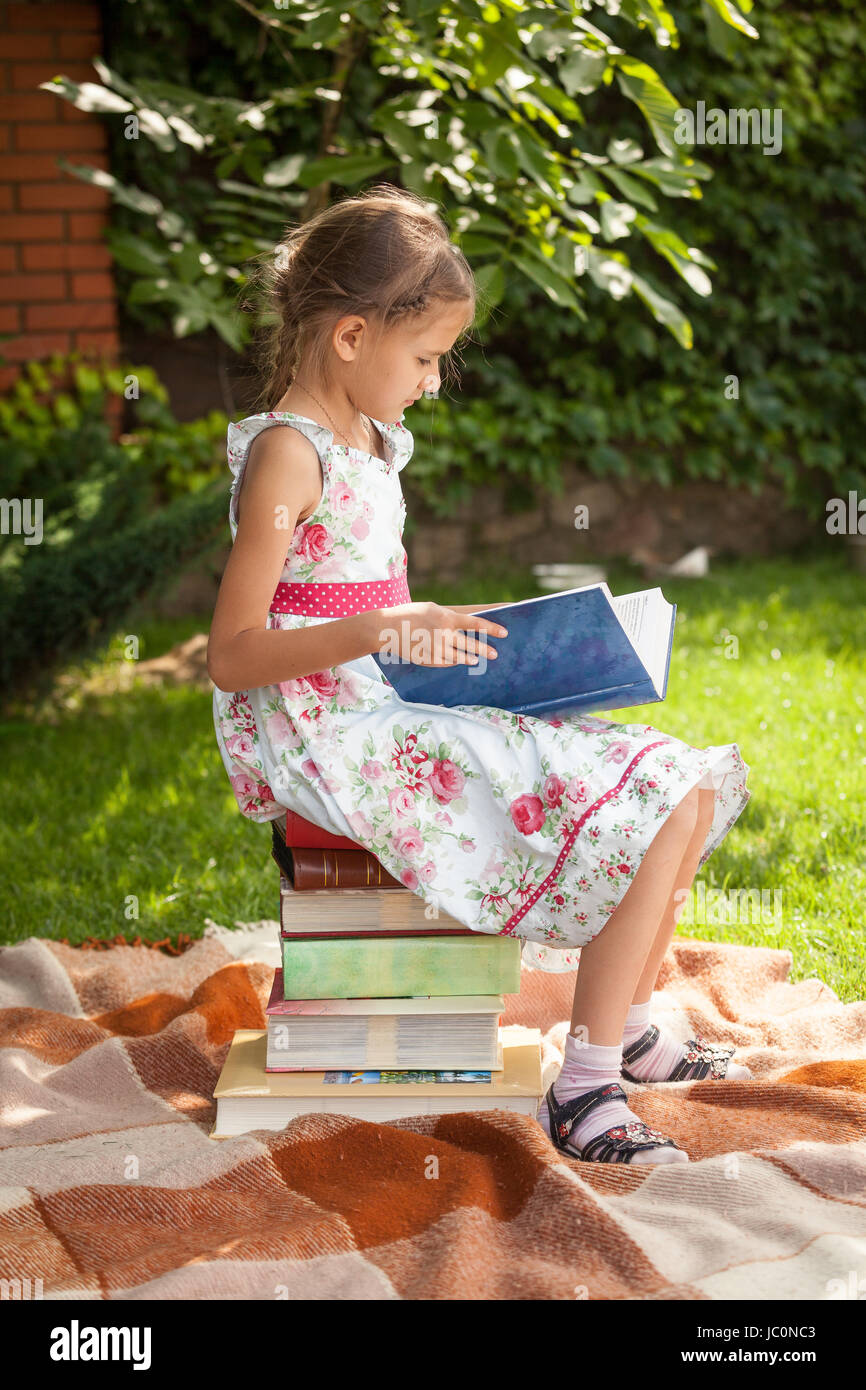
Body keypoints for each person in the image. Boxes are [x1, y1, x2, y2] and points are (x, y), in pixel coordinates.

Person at [207, 184, 753, 1166]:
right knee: (662, 792)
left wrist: (472, 650)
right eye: (422, 357)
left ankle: (622, 1025)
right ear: (347, 337)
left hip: (386, 705)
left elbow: (372, 609)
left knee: (684, 777)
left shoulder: (369, 441)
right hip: (326, 737)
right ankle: (586, 1087)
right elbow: (235, 650)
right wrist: (384, 630)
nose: (429, 382)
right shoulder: (286, 458)